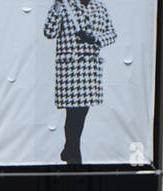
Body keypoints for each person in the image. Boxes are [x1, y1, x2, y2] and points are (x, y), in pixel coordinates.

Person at [43, 0, 117, 165]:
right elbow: (49, 32)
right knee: (74, 111)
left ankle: (70, 148)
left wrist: (95, 39)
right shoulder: (64, 6)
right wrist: (56, 6)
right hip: (71, 67)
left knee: (81, 111)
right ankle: (73, 153)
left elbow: (112, 33)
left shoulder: (99, 6)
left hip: (90, 69)